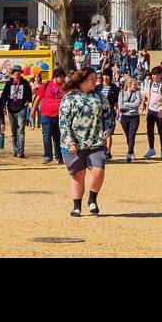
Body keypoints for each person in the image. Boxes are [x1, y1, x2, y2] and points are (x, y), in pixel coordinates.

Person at [58, 68, 111, 216]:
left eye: (96, 78)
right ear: (82, 80)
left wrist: (107, 129)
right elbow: (63, 123)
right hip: (74, 144)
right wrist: (69, 142)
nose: (95, 81)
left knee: (98, 170)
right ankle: (77, 206)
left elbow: (108, 116)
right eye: (91, 78)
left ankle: (92, 199)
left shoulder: (100, 98)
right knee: (78, 174)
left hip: (96, 142)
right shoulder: (69, 98)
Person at [1, 66, 34, 159]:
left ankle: (21, 151)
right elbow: (4, 96)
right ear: (13, 73)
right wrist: (3, 106)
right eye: (15, 72)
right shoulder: (9, 83)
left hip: (21, 109)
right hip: (11, 110)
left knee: (21, 131)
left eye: (19, 72)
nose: (17, 73)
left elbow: (29, 94)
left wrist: (27, 102)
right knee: (14, 131)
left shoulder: (25, 83)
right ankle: (15, 150)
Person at [34, 68, 65, 165]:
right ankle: (48, 156)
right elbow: (38, 98)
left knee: (58, 137)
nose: (63, 79)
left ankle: (59, 157)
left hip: (59, 116)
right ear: (55, 77)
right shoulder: (45, 85)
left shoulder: (64, 87)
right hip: (46, 115)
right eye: (61, 77)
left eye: (63, 77)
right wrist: (33, 110)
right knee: (46, 136)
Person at [140, 65, 162, 160]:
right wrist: (146, 108)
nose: (153, 77)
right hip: (151, 110)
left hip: (159, 110)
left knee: (161, 131)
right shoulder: (150, 83)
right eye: (152, 75)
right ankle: (151, 148)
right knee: (149, 130)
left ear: (160, 75)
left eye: (155, 75)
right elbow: (148, 96)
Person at [117, 76, 142, 162]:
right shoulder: (122, 93)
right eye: (134, 85)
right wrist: (130, 105)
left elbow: (137, 104)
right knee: (128, 135)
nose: (135, 86)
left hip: (135, 117)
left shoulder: (137, 93)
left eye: (136, 84)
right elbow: (120, 106)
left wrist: (126, 104)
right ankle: (131, 150)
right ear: (129, 85)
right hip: (124, 117)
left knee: (132, 135)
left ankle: (129, 153)